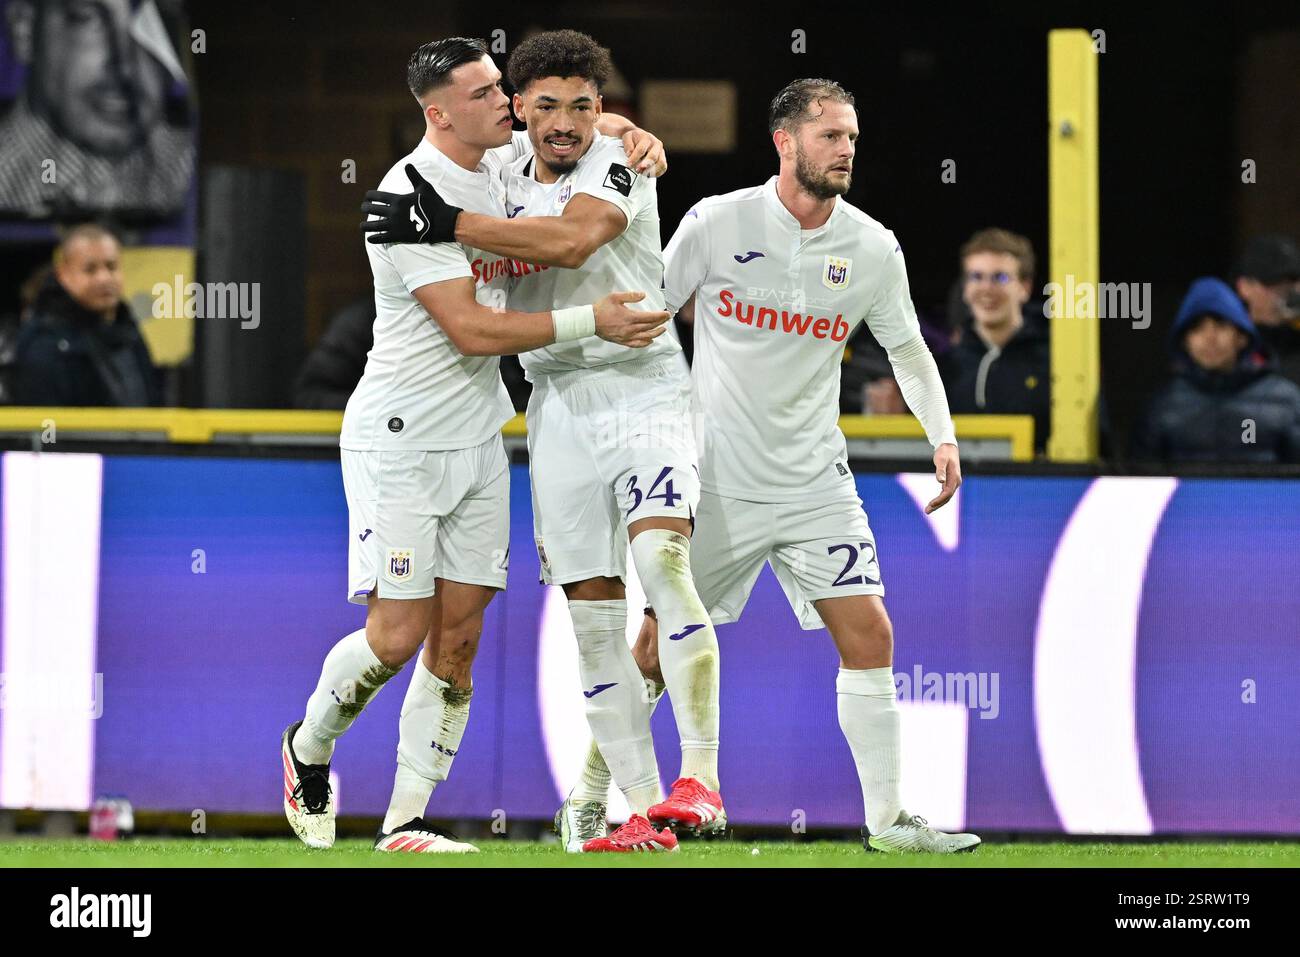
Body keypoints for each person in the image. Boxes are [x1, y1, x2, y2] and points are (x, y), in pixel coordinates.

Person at [281, 36, 671, 855]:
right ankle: (309, 746)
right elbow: (473, 327)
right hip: (402, 438)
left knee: (458, 639)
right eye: (488, 92)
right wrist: (589, 319)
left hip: (481, 437)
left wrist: (629, 130)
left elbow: (573, 143)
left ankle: (405, 820)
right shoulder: (403, 196)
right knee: (396, 637)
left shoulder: (501, 168)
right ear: (438, 112)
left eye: (505, 88)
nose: (509, 102)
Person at [591, 78, 980, 853]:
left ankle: (889, 821)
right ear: (786, 141)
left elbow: (907, 346)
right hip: (716, 478)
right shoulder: (718, 220)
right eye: (831, 136)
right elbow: (649, 315)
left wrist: (942, 434)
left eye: (853, 139)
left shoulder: (871, 246)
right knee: (652, 648)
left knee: (869, 632)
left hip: (814, 484)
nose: (846, 151)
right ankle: (597, 800)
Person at [363, 30, 723, 854]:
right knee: (593, 625)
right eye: (547, 106)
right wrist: (443, 213)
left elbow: (570, 242)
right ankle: (632, 809)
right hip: (554, 402)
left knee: (664, 566)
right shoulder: (502, 166)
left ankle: (699, 777)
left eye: (586, 107)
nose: (567, 123)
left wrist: (448, 222)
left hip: (644, 388)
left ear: (603, 110)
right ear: (519, 111)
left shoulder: (617, 161)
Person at [0, 0, 193, 219]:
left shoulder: (195, 172)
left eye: (153, 27)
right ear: (24, 30)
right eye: (87, 18)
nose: (125, 67)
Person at [1134, 277, 1300, 464]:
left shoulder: (1287, 401)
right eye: (1197, 328)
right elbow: (1142, 482)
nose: (1209, 338)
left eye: (1220, 325)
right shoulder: (1162, 405)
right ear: (1184, 341)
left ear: (1242, 337)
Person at [13, 223, 161, 407]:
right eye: (90, 270)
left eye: (111, 266)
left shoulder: (130, 332)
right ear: (63, 275)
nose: (104, 278)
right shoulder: (44, 342)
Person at [941, 228, 1051, 453]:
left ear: (1025, 288)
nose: (986, 289)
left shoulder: (1055, 364)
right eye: (976, 276)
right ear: (965, 288)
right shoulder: (942, 368)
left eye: (1000, 278)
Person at [1233, 235, 1300, 388]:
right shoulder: (1228, 348)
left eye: (1293, 282)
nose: (1285, 292)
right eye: (1274, 282)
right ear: (1244, 287)